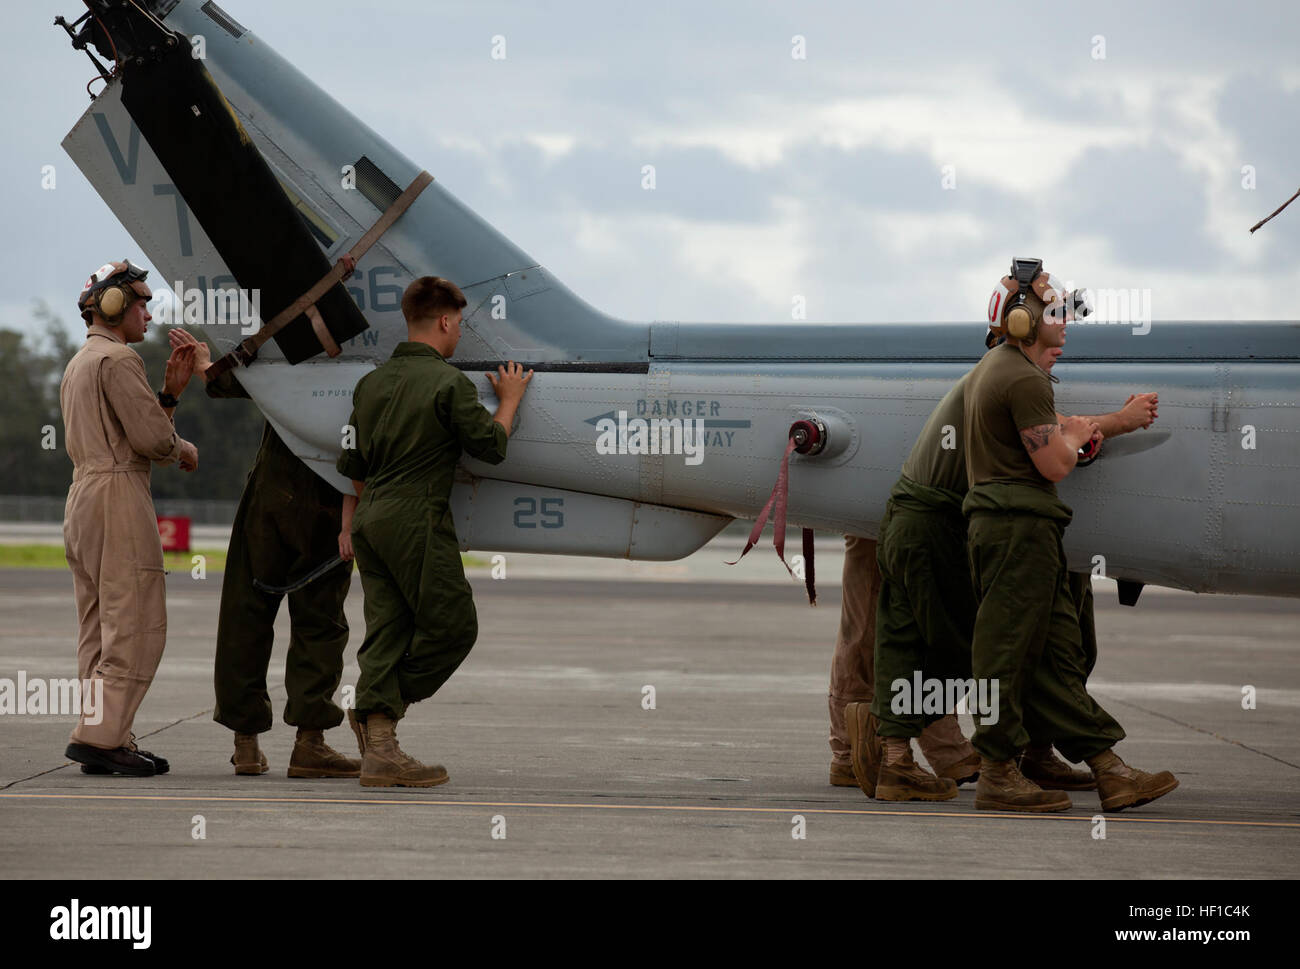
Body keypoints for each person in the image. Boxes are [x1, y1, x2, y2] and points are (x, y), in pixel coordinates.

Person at [964, 258, 1178, 812]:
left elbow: (1051, 439)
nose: (1065, 325)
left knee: (1056, 650)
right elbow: (1056, 464)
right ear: (1022, 322)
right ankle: (998, 772)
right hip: (1017, 527)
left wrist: (1095, 426)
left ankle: (1110, 770)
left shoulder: (1009, 371)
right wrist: (1079, 435)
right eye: (1057, 314)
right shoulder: (1020, 376)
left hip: (1022, 526)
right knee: (1009, 652)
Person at [337, 276, 533, 787]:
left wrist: (361, 516)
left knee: (387, 629)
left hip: (371, 516)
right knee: (453, 627)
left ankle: (379, 749)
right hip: (414, 519)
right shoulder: (448, 384)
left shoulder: (370, 384)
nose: (460, 333)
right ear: (444, 321)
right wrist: (510, 399)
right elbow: (490, 445)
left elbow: (351, 460)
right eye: (460, 323)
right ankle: (378, 716)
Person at [168, 328, 361, 778]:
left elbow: (247, 382)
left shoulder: (293, 358)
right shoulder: (364, 368)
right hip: (333, 501)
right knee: (322, 622)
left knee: (245, 614)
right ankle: (310, 743)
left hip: (272, 496)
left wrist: (204, 367)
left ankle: (247, 743)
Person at [61, 259, 199, 776]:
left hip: (83, 495)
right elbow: (150, 440)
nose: (147, 309)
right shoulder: (119, 361)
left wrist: (165, 398)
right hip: (118, 494)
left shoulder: (80, 361)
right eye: (139, 300)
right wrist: (182, 444)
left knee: (99, 625)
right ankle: (101, 738)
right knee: (136, 621)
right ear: (113, 305)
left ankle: (103, 731)